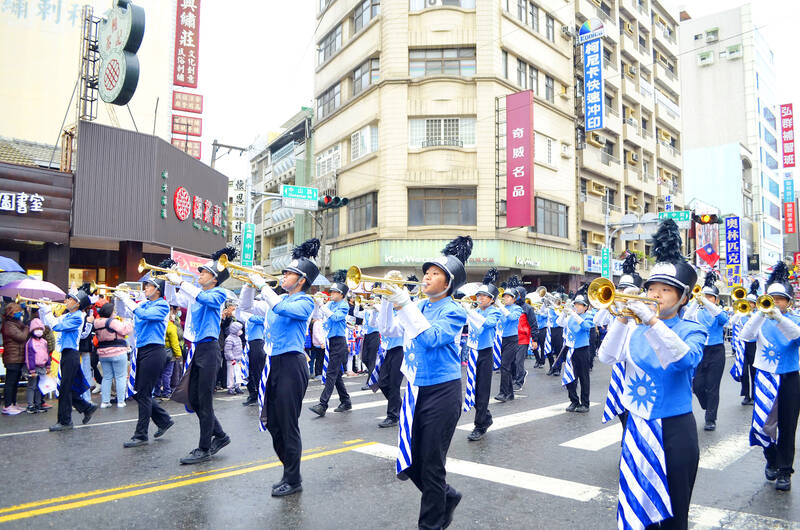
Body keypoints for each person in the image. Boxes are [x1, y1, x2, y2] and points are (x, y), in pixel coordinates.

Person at [598, 219, 706, 529]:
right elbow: (606, 356)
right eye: (652, 289)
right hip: (637, 427)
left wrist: (652, 322)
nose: (656, 295)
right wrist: (623, 317)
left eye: (665, 290)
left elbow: (684, 361)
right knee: (636, 504)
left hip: (674, 431)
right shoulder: (635, 327)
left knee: (673, 514)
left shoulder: (691, 329)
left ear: (683, 298)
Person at [384, 235, 470, 529]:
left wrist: (403, 303)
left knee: (432, 463)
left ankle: (430, 525)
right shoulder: (418, 305)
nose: (427, 277)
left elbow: (432, 338)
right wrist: (388, 300)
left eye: (435, 274)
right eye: (427, 272)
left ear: (448, 283)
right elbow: (389, 330)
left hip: (442, 392)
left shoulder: (454, 311)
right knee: (412, 461)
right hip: (415, 388)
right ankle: (447, 496)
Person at [241, 237, 319, 497]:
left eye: (289, 273)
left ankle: (293, 478)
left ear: (301, 280)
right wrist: (250, 283)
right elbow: (246, 308)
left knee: (288, 424)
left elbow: (280, 307)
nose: (284, 276)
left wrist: (262, 283)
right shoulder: (279, 301)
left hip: (291, 364)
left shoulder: (305, 302)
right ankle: (289, 471)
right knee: (274, 424)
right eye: (285, 272)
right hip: (273, 364)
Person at [168, 248, 234, 464]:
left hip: (209, 350)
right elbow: (174, 299)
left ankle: (204, 448)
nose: (199, 275)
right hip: (197, 350)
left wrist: (180, 282)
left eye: (204, 272)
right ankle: (221, 435)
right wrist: (170, 279)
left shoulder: (217, 294)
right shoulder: (198, 293)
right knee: (195, 399)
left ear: (214, 279)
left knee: (204, 401)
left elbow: (201, 297)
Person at [739, 261, 800, 491]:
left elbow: (796, 337)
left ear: (789, 302)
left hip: (789, 378)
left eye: (781, 299)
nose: (776, 302)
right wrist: (761, 312)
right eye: (772, 298)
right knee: (762, 425)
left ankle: (785, 471)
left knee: (787, 426)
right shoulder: (760, 319)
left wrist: (778, 317)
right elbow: (746, 335)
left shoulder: (793, 319)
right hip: (765, 377)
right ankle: (771, 458)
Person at [115, 270, 174, 448]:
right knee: (140, 392)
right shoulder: (144, 304)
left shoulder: (162, 305)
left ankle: (141, 434)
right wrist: (119, 298)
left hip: (155, 351)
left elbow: (144, 315)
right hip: (141, 350)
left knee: (144, 392)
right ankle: (163, 420)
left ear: (157, 290)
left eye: (148, 285)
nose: (145, 288)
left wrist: (127, 299)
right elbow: (122, 312)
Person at [40, 287, 98, 431]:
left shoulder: (78, 317)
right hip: (66, 353)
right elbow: (47, 324)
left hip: (72, 354)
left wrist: (48, 311)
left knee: (65, 389)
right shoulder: (68, 315)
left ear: (77, 304)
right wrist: (43, 309)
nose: (66, 301)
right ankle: (87, 407)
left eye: (70, 299)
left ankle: (65, 421)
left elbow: (57, 326)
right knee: (67, 387)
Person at [684, 271, 729, 431]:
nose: (706, 299)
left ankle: (711, 419)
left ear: (716, 299)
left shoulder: (719, 312)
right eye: (705, 296)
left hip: (716, 352)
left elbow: (724, 320)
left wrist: (707, 301)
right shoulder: (696, 312)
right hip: (701, 351)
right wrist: (697, 301)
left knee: (712, 386)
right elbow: (686, 318)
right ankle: (707, 405)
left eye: (711, 297)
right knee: (697, 385)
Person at [462, 268, 502, 441]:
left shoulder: (494, 311)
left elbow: (487, 324)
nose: (480, 298)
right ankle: (485, 417)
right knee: (473, 387)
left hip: (485, 353)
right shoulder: (475, 310)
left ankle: (480, 425)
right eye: (478, 296)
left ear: (492, 300)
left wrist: (469, 311)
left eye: (484, 296)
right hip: (472, 352)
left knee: (482, 390)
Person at [309, 270, 352, 417]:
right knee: (336, 374)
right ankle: (346, 401)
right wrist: (318, 304)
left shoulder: (343, 306)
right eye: (331, 291)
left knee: (331, 373)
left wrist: (323, 305)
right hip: (330, 341)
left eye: (334, 292)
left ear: (341, 294)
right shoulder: (331, 304)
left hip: (339, 342)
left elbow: (334, 318)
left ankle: (323, 404)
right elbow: (319, 316)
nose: (331, 294)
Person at [558, 285, 594, 413]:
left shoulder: (588, 316)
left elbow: (585, 327)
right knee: (570, 376)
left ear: (585, 307)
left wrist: (573, 314)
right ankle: (573, 400)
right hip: (570, 349)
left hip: (582, 350)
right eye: (576, 304)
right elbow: (559, 323)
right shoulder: (572, 317)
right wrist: (563, 313)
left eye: (580, 305)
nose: (577, 306)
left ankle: (585, 403)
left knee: (584, 377)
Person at [93, 303, 133, 409]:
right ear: (110, 312)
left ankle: (105, 401)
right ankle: (120, 401)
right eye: (114, 311)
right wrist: (126, 321)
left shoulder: (96, 322)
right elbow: (125, 330)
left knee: (106, 377)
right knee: (120, 377)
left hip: (103, 352)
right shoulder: (112, 322)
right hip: (118, 351)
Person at [495, 276, 523, 402]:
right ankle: (510, 393)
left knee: (504, 366)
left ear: (514, 299)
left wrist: (501, 307)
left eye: (508, 297)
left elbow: (512, 318)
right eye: (504, 296)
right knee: (508, 366)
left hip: (512, 339)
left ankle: (503, 392)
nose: (505, 298)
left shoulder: (517, 308)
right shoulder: (502, 309)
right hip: (502, 339)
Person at [2, 302, 29, 415]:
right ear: (11, 313)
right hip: (12, 357)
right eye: (17, 312)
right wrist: (27, 328)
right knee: (10, 383)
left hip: (17, 357)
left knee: (15, 382)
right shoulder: (8, 325)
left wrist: (26, 312)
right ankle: (7, 405)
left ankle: (13, 403)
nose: (19, 313)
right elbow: (21, 336)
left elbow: (23, 325)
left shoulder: (15, 322)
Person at [238, 302, 266, 406]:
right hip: (249, 343)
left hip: (258, 343)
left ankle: (261, 394)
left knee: (258, 371)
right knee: (248, 371)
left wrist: (248, 315)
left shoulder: (261, 316)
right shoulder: (248, 316)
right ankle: (252, 394)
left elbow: (261, 320)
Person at [24, 318, 51, 414]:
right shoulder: (30, 343)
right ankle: (30, 405)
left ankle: (38, 403)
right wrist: (31, 370)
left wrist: (48, 366)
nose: (39, 331)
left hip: (42, 367)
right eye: (37, 328)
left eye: (40, 328)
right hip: (34, 367)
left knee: (40, 386)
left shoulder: (44, 341)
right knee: (32, 386)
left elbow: (47, 354)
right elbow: (29, 357)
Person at [514, 286, 537, 390]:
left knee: (519, 361)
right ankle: (517, 375)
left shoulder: (528, 308)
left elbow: (533, 324)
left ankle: (519, 381)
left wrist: (535, 340)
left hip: (523, 339)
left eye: (518, 294)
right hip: (512, 338)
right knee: (512, 361)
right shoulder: (512, 307)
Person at [157, 307, 182, 399]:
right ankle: (166, 391)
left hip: (159, 351)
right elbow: (175, 343)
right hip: (169, 353)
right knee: (167, 373)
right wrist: (178, 354)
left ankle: (157, 391)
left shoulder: (159, 324)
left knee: (159, 373)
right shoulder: (171, 327)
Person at [357, 299, 381, 390]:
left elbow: (373, 323)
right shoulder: (366, 311)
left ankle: (370, 382)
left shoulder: (378, 312)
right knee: (364, 358)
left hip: (374, 335)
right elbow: (356, 313)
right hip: (366, 335)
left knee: (371, 359)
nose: (371, 302)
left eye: (373, 300)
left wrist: (375, 310)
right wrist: (357, 304)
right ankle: (375, 373)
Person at [223, 320, 244, 394]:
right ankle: (230, 387)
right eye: (239, 330)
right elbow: (228, 350)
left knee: (238, 374)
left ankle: (237, 386)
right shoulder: (229, 339)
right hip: (231, 360)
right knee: (231, 374)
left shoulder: (238, 338)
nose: (241, 331)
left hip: (238, 359)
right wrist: (232, 358)